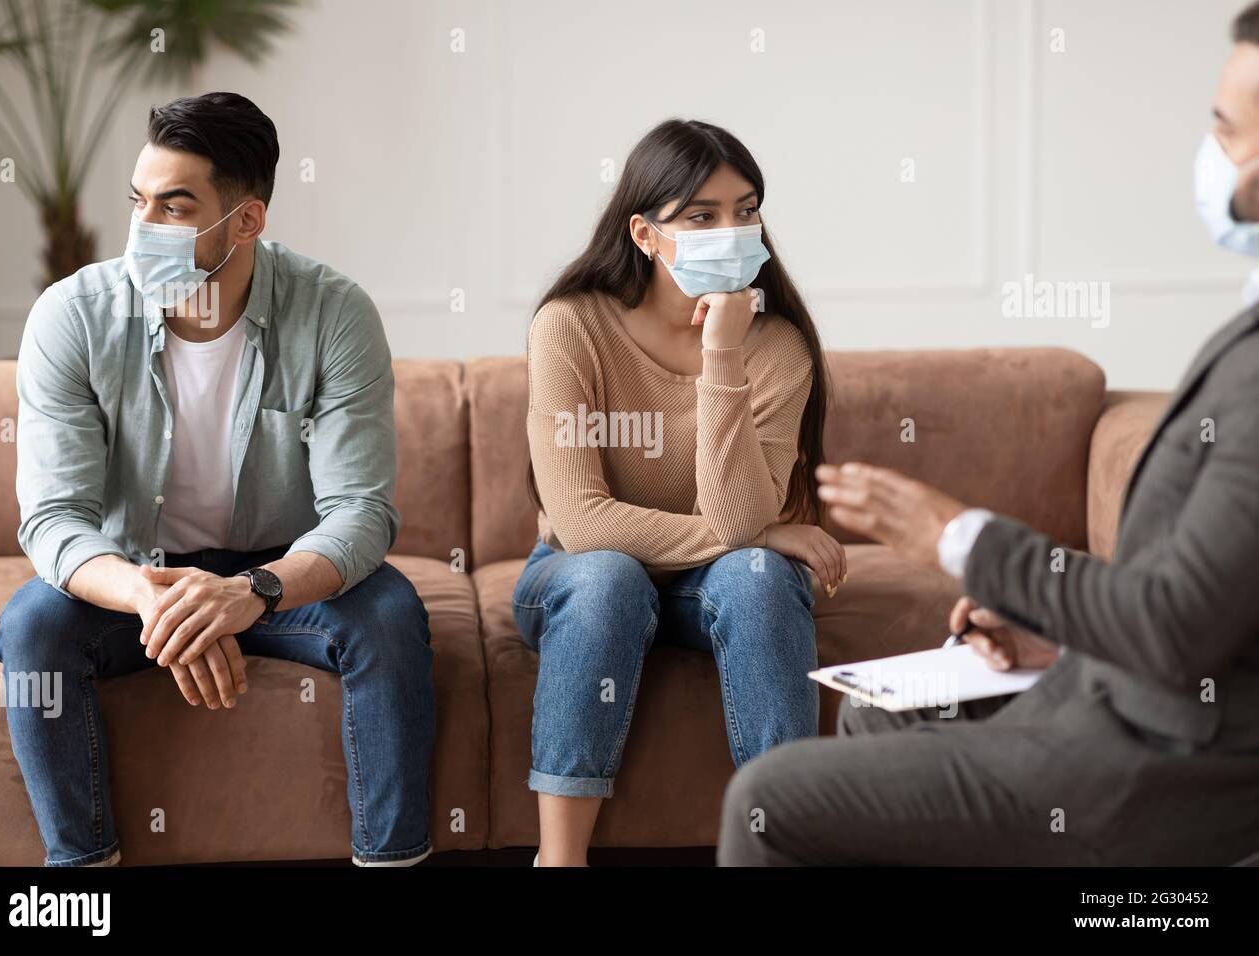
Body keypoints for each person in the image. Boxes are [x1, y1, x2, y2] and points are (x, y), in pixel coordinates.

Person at [716, 3, 1259, 867]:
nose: (1212, 156)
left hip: (1162, 763)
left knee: (763, 805)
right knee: (876, 710)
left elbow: (1179, 627)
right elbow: (1214, 599)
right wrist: (1058, 633)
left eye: (1226, 133)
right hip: (1129, 696)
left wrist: (956, 536)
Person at [0, 92, 436, 868]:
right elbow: (55, 519)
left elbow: (360, 512)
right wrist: (152, 601)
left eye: (174, 207)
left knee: (390, 618)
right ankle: (84, 876)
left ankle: (393, 860)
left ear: (246, 221)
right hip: (138, 575)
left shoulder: (334, 314)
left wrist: (249, 594)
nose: (144, 228)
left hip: (283, 572)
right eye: (138, 202)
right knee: (34, 626)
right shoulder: (73, 316)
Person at [516, 118, 844, 867]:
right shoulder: (570, 327)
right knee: (608, 575)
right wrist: (758, 532)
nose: (732, 230)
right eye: (701, 216)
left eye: (746, 209)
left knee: (758, 576)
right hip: (576, 579)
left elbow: (735, 521)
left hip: (710, 588)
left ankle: (786, 849)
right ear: (645, 233)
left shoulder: (778, 346)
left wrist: (721, 351)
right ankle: (559, 861)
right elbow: (581, 520)